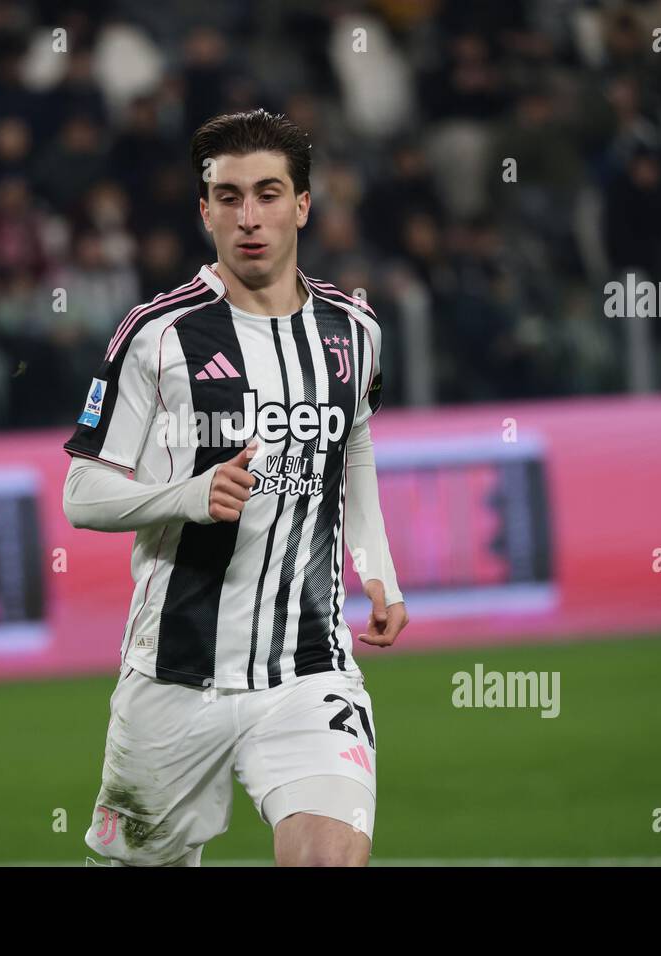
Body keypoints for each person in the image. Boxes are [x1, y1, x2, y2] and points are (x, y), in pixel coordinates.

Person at [61, 109, 407, 866]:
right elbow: (82, 495)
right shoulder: (158, 333)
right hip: (178, 676)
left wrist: (376, 571)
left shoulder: (355, 330)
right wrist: (189, 494)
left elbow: (352, 445)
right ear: (204, 209)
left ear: (304, 204)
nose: (249, 217)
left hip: (310, 665)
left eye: (269, 193)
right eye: (228, 196)